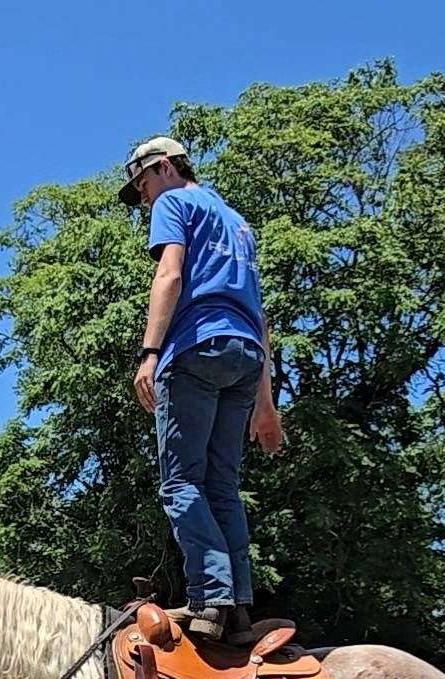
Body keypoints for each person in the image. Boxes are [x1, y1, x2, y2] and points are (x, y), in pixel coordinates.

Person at [121, 136, 283, 643]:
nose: (144, 197)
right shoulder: (237, 223)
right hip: (244, 356)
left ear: (165, 167)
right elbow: (259, 317)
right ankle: (238, 610)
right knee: (221, 486)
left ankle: (210, 598)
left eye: (142, 184)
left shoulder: (173, 204)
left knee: (180, 483)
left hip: (196, 348)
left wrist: (150, 353)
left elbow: (169, 275)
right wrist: (265, 403)